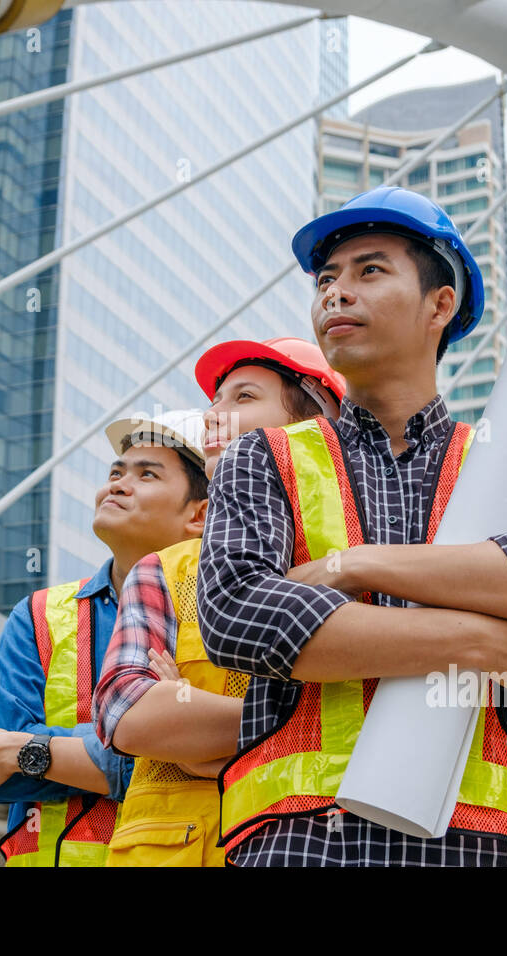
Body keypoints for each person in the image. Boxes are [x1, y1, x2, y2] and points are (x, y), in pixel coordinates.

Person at [197, 185, 507, 867]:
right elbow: (237, 614)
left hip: (488, 846)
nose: (335, 294)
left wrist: (358, 566)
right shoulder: (269, 457)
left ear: (441, 303)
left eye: (369, 270)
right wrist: (483, 640)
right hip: (305, 843)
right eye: (326, 279)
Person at [93, 338, 345, 866]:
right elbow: (125, 713)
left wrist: (199, 726)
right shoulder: (165, 569)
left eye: (243, 398)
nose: (212, 416)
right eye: (216, 400)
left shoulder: (361, 549)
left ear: (315, 420)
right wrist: (307, 731)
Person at [0, 409, 209, 866]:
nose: (117, 484)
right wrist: (150, 743)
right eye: (116, 471)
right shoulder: (37, 615)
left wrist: (29, 748)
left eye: (147, 474)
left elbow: (224, 758)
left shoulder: (220, 617)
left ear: (199, 513)